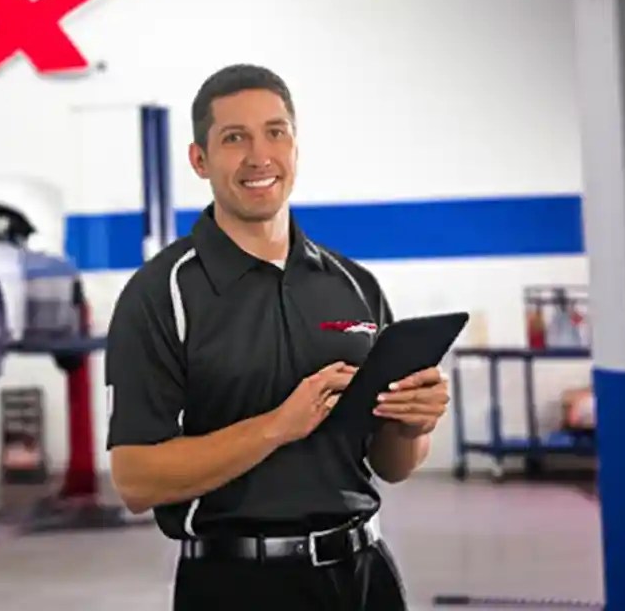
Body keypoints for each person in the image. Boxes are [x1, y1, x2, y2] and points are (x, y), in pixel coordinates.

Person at [104, 64, 451, 610]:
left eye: (276, 131)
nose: (259, 155)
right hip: (237, 584)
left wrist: (413, 424)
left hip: (365, 576)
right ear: (200, 160)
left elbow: (392, 466)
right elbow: (136, 480)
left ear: (295, 145)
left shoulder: (353, 286)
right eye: (233, 138)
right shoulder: (160, 295)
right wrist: (276, 428)